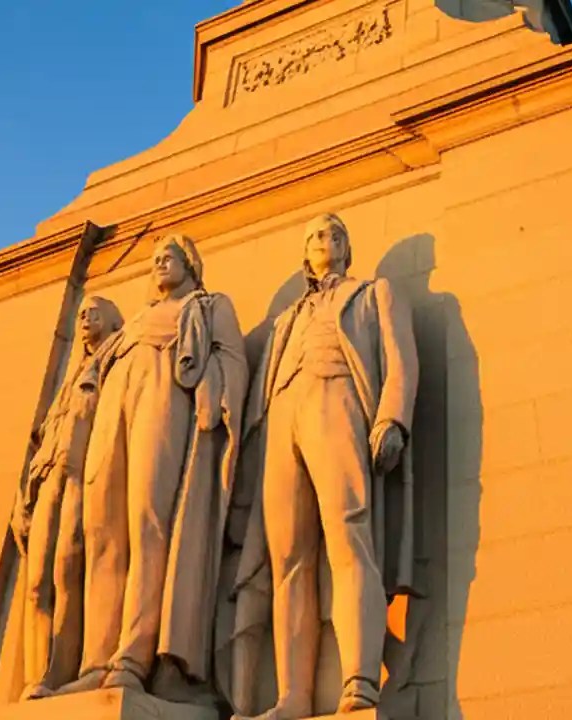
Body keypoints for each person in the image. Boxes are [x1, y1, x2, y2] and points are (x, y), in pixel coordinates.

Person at [230, 213, 418, 719]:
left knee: (349, 535)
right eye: (316, 235)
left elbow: (401, 358)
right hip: (285, 415)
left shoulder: (374, 292)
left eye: (335, 234)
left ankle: (358, 678)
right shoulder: (287, 318)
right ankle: (293, 695)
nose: (325, 240)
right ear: (304, 252)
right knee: (288, 557)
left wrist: (393, 419)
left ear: (347, 247)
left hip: (339, 402)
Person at [58, 235, 248, 702]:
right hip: (116, 401)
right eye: (155, 258)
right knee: (103, 527)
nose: (160, 262)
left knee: (148, 520)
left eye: (170, 256)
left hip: (165, 394)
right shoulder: (135, 320)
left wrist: (214, 394)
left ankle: (134, 654)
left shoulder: (207, 305)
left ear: (191, 265)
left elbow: (231, 358)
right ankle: (96, 659)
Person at [10, 295, 123, 699]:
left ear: (112, 321)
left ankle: (62, 672)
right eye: (81, 313)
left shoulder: (117, 359)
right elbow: (43, 438)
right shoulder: (71, 378)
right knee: (38, 581)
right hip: (49, 478)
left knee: (67, 569)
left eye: (94, 311)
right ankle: (38, 676)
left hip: (83, 475)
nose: (85, 318)